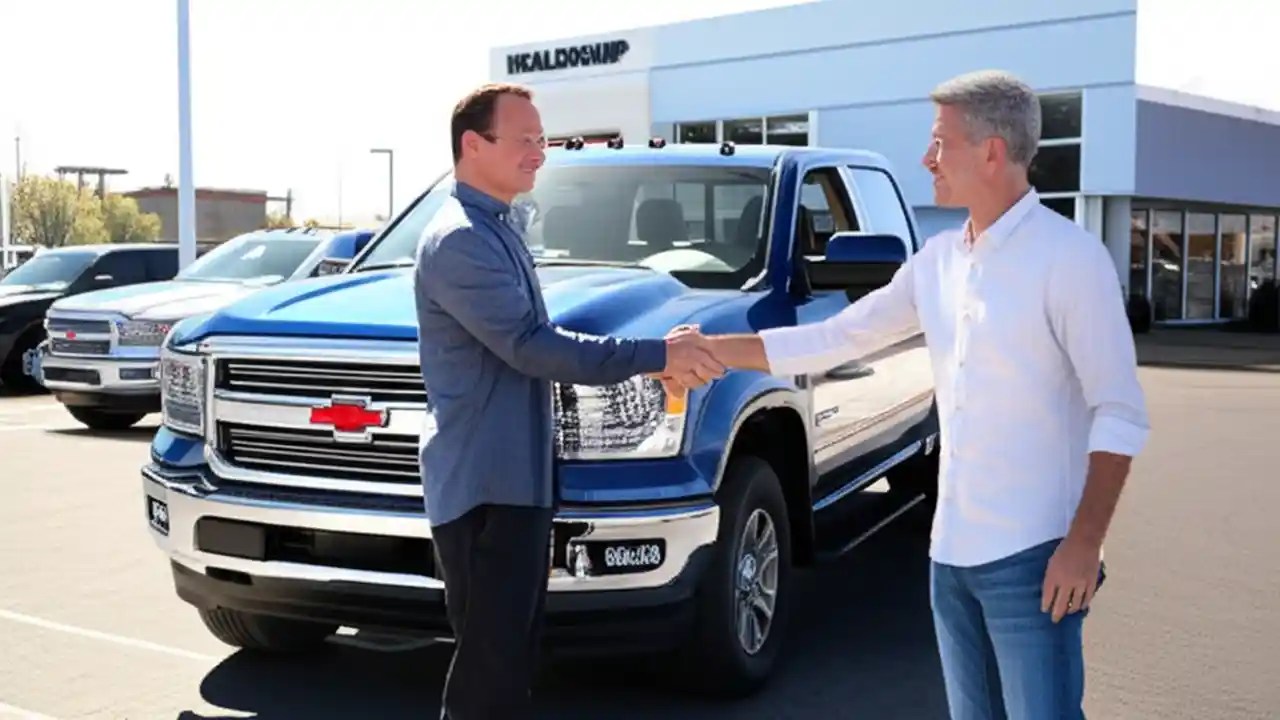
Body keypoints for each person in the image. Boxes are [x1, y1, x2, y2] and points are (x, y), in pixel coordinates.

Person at [692, 69, 1150, 719]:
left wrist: (1082, 544)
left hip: (1035, 559)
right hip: (951, 560)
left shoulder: (1070, 261)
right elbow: (833, 338)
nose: (926, 158)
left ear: (992, 151)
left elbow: (1120, 414)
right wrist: (703, 352)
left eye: (941, 142)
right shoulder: (938, 263)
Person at [413, 82, 724, 719]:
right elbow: (532, 347)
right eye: (524, 139)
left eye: (541, 139)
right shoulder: (461, 240)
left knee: (508, 666)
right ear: (474, 145)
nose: (539, 153)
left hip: (514, 486)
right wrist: (657, 355)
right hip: (484, 492)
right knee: (489, 677)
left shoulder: (493, 228)